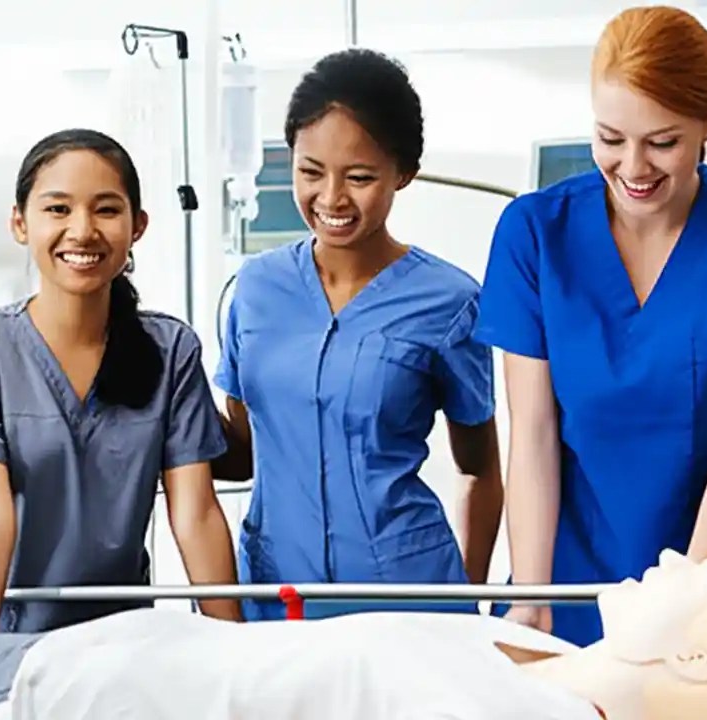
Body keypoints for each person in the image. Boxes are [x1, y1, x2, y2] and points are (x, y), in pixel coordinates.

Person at [474, 5, 707, 648]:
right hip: (571, 590)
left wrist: (681, 610)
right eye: (611, 138)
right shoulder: (533, 233)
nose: (634, 167)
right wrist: (531, 595)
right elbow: (531, 435)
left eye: (662, 141)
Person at [0, 552, 707, 720]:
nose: (673, 558)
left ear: (694, 659)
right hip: (122, 646)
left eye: (701, 578)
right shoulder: (554, 667)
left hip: (50, 687)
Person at [0, 128, 243, 637]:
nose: (82, 230)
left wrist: (235, 649)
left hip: (113, 638)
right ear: (20, 223)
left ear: (138, 226)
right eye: (58, 209)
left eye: (107, 210)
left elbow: (195, 514)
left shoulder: (170, 350)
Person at [213, 48, 504, 621]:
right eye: (310, 171)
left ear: (404, 172)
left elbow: (480, 470)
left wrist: (467, 602)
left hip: (407, 594)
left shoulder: (449, 302)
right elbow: (246, 450)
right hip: (277, 593)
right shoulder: (256, 289)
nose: (331, 199)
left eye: (361, 177)